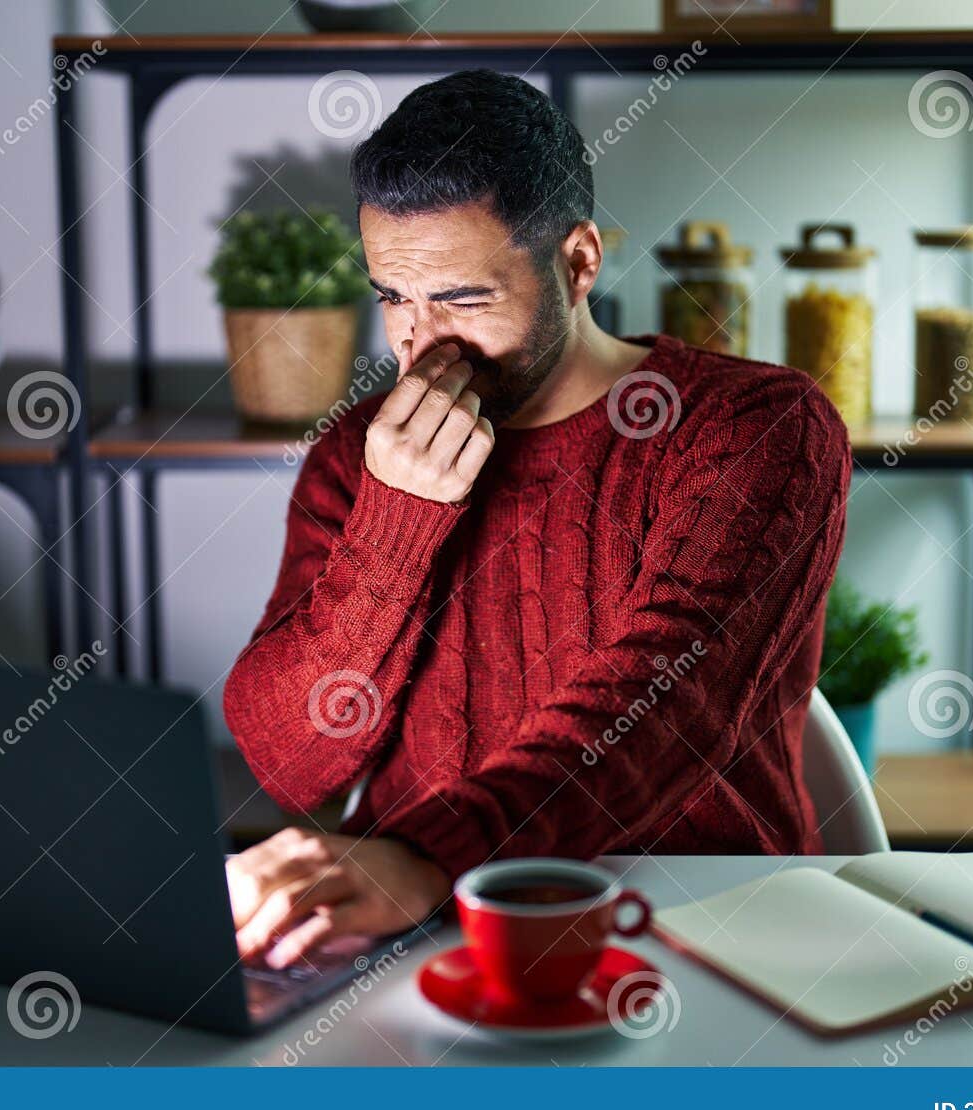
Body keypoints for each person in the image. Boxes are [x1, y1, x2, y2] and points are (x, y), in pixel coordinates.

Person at [223, 69, 849, 970]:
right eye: (393, 296)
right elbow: (289, 764)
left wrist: (432, 856)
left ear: (580, 262)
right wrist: (397, 523)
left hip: (690, 930)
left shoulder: (756, 430)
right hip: (420, 933)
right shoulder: (359, 453)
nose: (420, 343)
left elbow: (654, 709)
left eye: (464, 298)